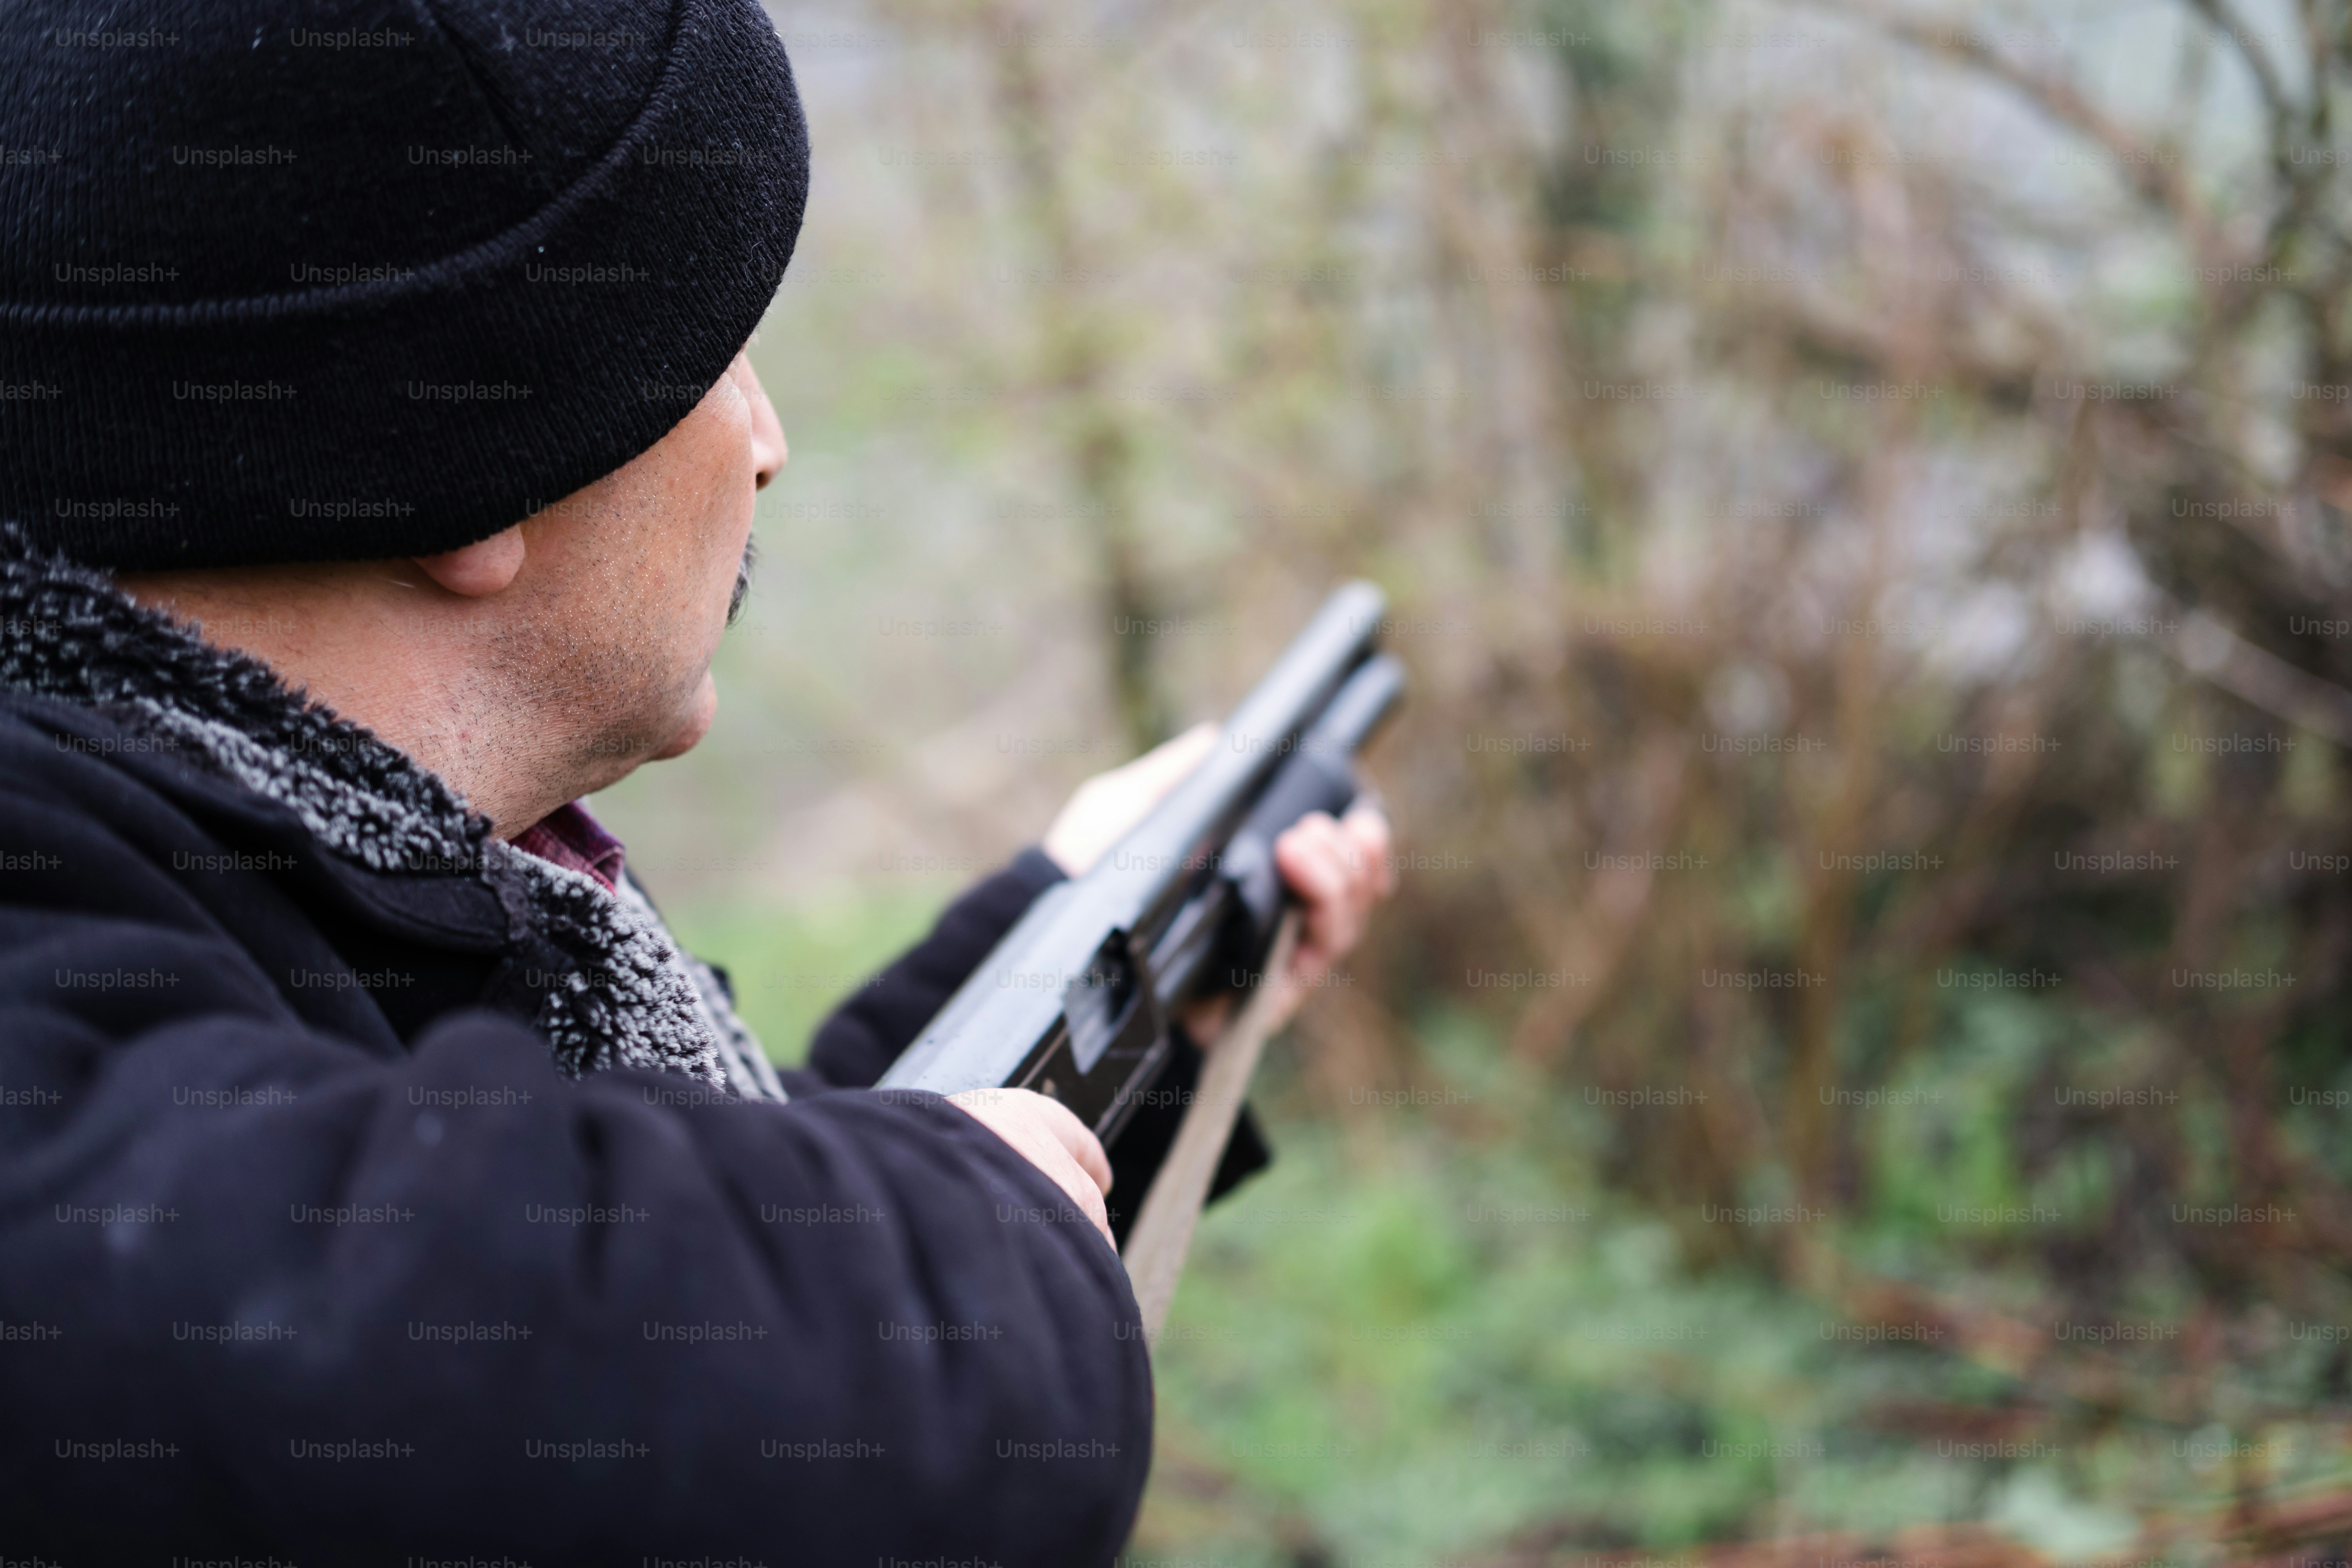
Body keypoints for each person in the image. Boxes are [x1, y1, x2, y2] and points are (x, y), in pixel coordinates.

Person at [0, 1, 1392, 1563]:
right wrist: (954, 1255)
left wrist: (1090, 961)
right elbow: (388, 1335)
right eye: (715, 351)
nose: (770, 439)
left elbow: (629, 1203)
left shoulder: (394, 862)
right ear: (474, 458)